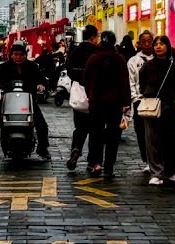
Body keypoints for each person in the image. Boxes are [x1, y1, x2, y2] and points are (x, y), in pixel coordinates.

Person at [82, 31, 132, 178]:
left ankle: (95, 163)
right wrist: (126, 102)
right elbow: (125, 82)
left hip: (96, 102)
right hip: (115, 103)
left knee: (95, 133)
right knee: (113, 136)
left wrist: (90, 94)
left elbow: (86, 80)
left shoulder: (93, 59)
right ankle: (109, 166)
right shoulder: (120, 59)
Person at [0, 43, 52, 160]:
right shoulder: (4, 67)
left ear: (25, 55)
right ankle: (4, 136)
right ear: (11, 55)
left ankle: (43, 148)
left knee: (41, 124)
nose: (18, 57)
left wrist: (41, 85)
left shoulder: (32, 66)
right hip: (8, 101)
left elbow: (42, 79)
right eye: (16, 55)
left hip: (28, 102)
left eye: (21, 55)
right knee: (0, 112)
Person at [139, 36, 175, 185]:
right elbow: (142, 83)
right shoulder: (147, 66)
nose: (158, 46)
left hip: (168, 106)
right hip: (151, 105)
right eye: (156, 44)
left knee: (170, 138)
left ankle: (172, 170)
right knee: (152, 140)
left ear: (168, 46)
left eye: (162, 44)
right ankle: (156, 172)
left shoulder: (174, 67)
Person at [65, 25, 101, 172]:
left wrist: (81, 78)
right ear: (93, 37)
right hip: (96, 94)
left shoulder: (76, 51)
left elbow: (69, 70)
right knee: (95, 130)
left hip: (79, 94)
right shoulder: (98, 52)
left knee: (79, 128)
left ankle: (76, 149)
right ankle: (93, 162)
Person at [126, 31, 155, 172]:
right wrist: (135, 99)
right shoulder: (133, 61)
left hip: (156, 101)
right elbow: (131, 81)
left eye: (150, 41)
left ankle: (156, 160)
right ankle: (147, 160)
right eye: (144, 41)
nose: (148, 44)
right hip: (140, 101)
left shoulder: (159, 59)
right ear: (139, 43)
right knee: (141, 132)